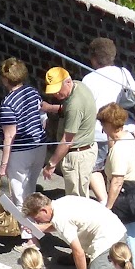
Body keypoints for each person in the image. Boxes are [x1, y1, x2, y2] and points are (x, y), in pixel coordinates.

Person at [95, 103, 135, 269]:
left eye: (103, 124)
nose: (102, 128)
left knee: (131, 242)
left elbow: (117, 181)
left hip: (128, 198)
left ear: (110, 124)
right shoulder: (130, 136)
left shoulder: (119, 149)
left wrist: (109, 207)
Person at [0, 58, 47, 229]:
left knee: (19, 196)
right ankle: (35, 225)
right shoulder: (33, 92)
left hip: (20, 153)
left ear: (5, 79)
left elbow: (8, 137)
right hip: (40, 146)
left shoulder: (8, 104)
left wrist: (3, 165)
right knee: (30, 189)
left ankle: (29, 236)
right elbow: (43, 118)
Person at [80, 37, 135, 170]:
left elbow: (84, 110)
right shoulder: (124, 73)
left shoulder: (88, 79)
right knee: (121, 171)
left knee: (95, 171)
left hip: (99, 133)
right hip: (124, 131)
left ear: (94, 58)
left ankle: (104, 192)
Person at [41, 67, 98, 197]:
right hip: (84, 152)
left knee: (76, 200)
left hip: (78, 158)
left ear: (67, 82)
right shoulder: (78, 86)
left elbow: (67, 140)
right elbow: (66, 109)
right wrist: (50, 108)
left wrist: (51, 164)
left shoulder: (75, 104)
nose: (55, 95)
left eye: (57, 90)